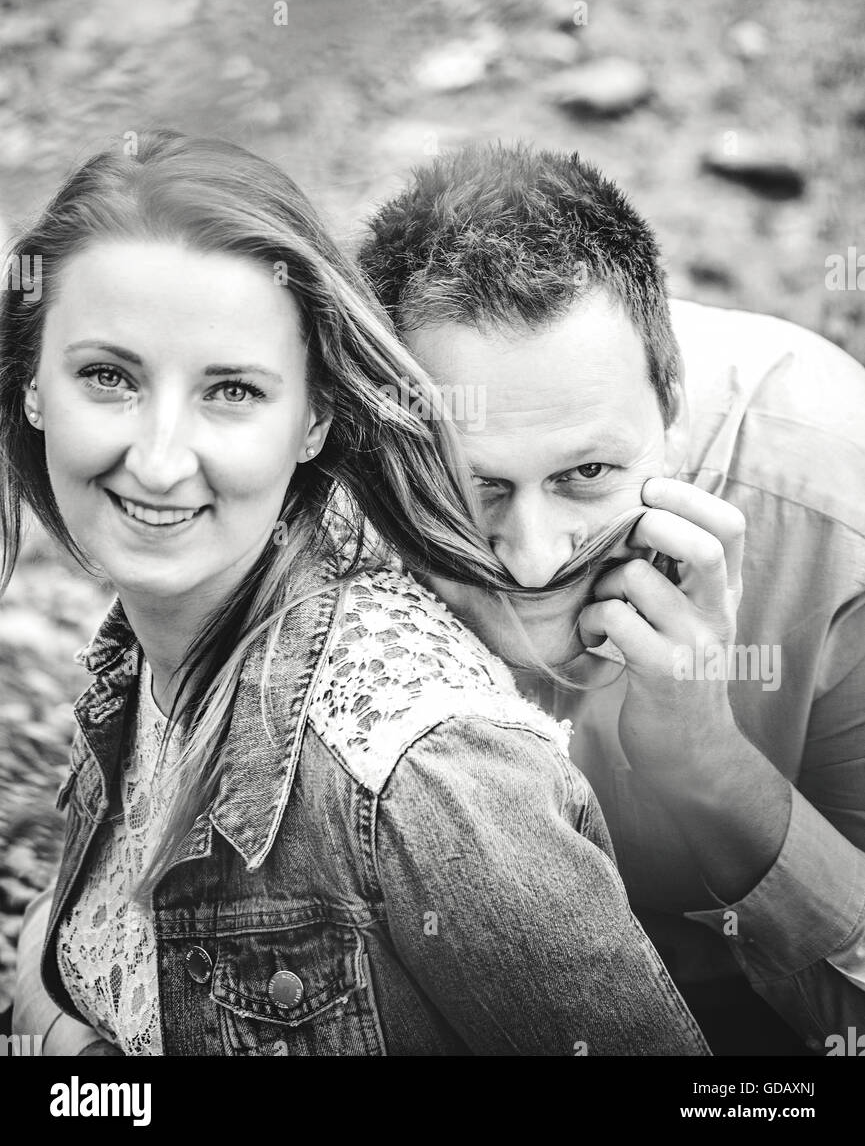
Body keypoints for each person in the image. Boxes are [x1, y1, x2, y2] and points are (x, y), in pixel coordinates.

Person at [4, 130, 707, 1057]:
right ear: (32, 389)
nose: (162, 459)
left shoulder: (425, 774)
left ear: (316, 419)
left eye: (232, 390)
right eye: (108, 376)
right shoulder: (157, 636)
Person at [359, 141, 865, 1056]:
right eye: (474, 487)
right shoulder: (316, 499)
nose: (529, 557)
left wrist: (706, 760)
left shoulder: (836, 509)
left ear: (668, 403)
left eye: (587, 472)